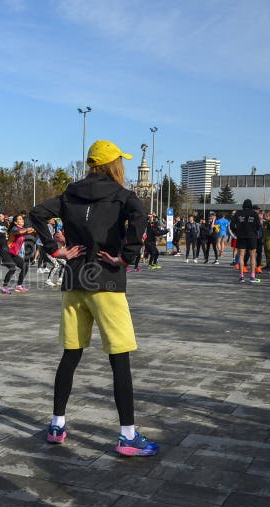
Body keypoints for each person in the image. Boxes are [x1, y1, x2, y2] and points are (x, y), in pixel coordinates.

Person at [29, 139, 158, 456]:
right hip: (107, 282)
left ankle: (57, 424)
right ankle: (127, 435)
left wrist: (54, 249)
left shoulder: (69, 193)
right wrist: (126, 257)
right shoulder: (121, 195)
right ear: (113, 164)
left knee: (70, 355)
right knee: (119, 360)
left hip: (74, 280)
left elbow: (36, 214)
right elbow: (140, 219)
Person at [1, 214, 34, 293]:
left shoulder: (23, 229)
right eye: (19, 219)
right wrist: (27, 230)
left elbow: (29, 232)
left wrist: (34, 229)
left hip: (13, 253)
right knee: (12, 268)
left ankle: (19, 286)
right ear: (16, 222)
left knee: (25, 266)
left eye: (22, 219)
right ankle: (4, 287)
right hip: (6, 252)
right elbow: (18, 232)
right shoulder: (14, 228)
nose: (22, 220)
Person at [232, 199, 262, 283]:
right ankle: (252, 277)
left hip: (241, 236)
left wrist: (237, 232)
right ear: (251, 205)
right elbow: (259, 226)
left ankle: (241, 277)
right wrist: (253, 231)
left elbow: (231, 226)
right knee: (253, 256)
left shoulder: (237, 213)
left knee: (241, 255)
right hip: (252, 237)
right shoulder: (254, 214)